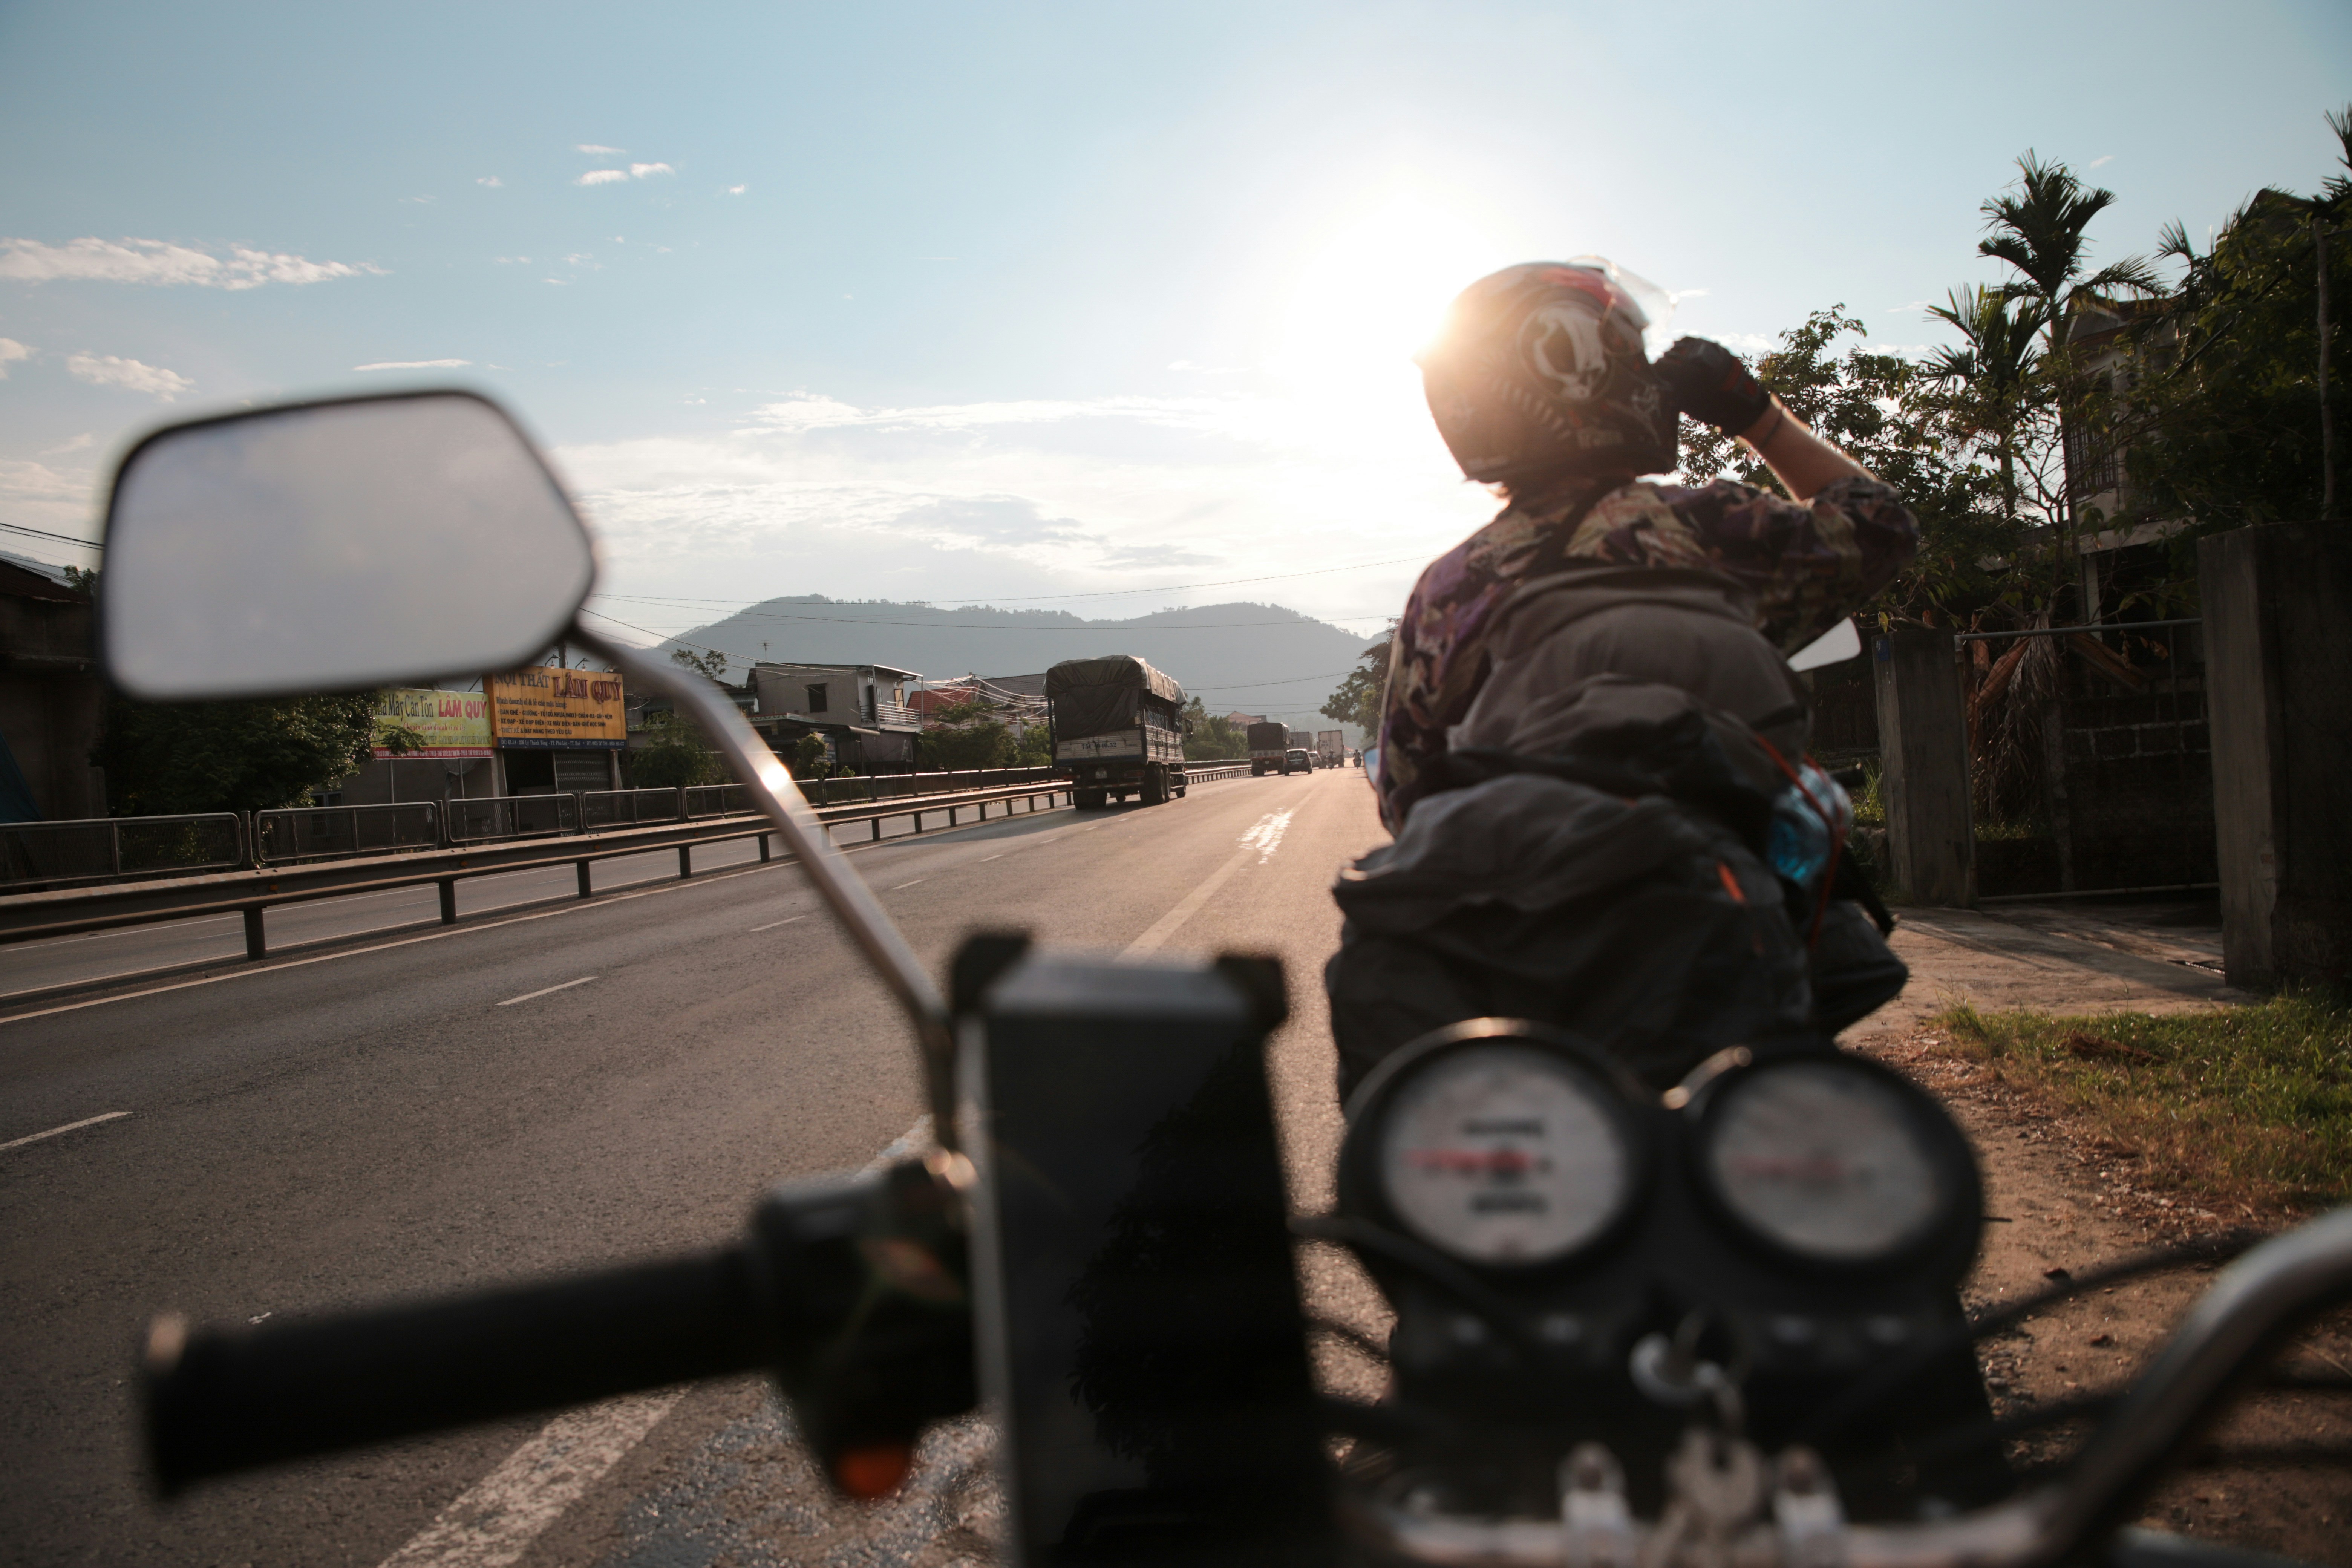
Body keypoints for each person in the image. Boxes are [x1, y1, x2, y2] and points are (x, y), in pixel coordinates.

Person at [1329, 259, 1918, 1103]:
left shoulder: (1457, 585)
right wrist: (1755, 413)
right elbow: (1882, 527)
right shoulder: (1712, 527)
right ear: (1598, 370)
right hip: (1738, 934)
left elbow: (1411, 798)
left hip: (1539, 948)